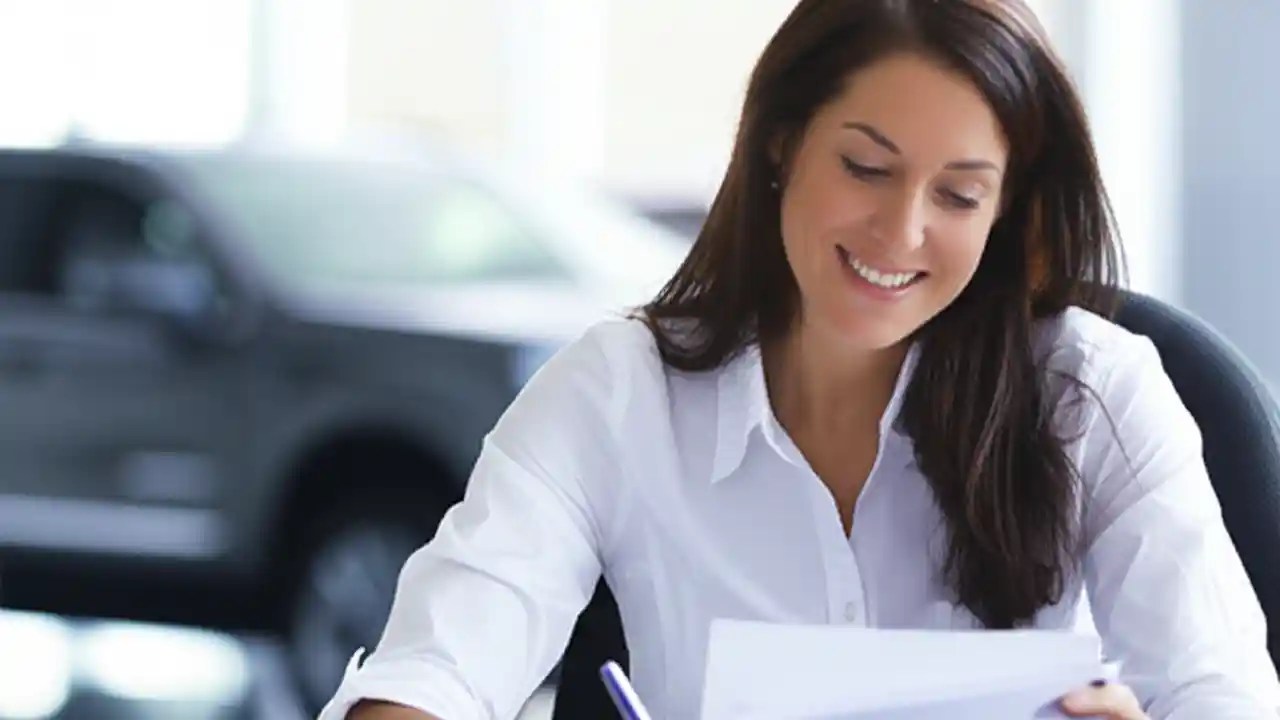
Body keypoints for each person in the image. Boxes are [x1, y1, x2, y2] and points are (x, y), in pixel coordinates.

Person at [323, 1, 1280, 718]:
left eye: (957, 196)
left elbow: (1219, 692)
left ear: (1005, 207)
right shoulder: (615, 393)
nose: (899, 232)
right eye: (865, 168)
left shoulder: (1095, 393)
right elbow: (440, 667)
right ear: (781, 144)